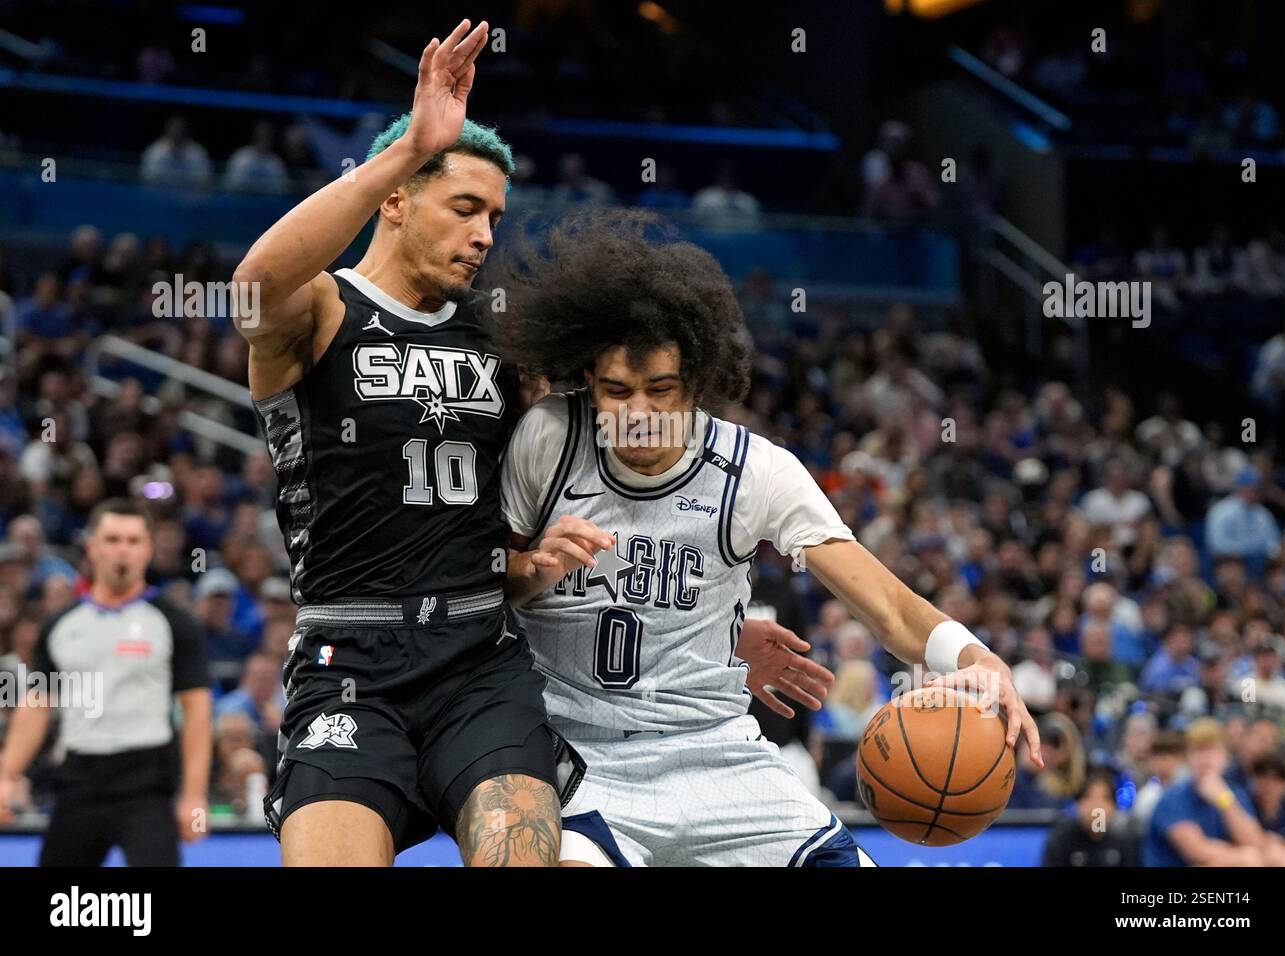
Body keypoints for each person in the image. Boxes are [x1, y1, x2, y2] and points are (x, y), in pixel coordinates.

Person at [493, 209, 1042, 866]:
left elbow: (888, 607)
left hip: (721, 757)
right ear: (587, 381)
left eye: (660, 390)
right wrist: (528, 573)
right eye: (616, 391)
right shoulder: (548, 440)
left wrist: (979, 661)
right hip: (586, 762)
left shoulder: (755, 471)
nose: (637, 413)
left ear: (697, 383)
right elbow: (477, 588)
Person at [230, 19, 579, 867]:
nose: (486, 234)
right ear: (394, 199)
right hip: (350, 657)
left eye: (495, 215)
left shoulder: (502, 338)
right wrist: (412, 144)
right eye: (465, 207)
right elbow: (250, 288)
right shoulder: (320, 310)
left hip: (478, 658)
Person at [0, 500, 211, 866]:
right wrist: (6, 775)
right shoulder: (59, 626)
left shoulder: (173, 623)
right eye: (112, 539)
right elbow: (37, 705)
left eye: (133, 540)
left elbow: (197, 711)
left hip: (147, 784)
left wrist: (194, 796)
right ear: (92, 547)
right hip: (78, 781)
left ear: (148, 549)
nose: (123, 549)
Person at [1141, 717, 1285, 867]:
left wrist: (1224, 800)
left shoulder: (1233, 794)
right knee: (1247, 860)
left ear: (1225, 757)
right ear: (1187, 757)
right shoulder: (1172, 797)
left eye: (1212, 751)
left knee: (1277, 854)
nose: (1205, 759)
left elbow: (1254, 841)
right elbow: (1197, 852)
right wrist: (1242, 855)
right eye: (1199, 751)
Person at [1040, 767, 1140, 867]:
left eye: (1104, 798)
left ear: (1113, 806)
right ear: (1078, 804)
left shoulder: (1125, 840)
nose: (1096, 805)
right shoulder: (1062, 839)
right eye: (1089, 797)